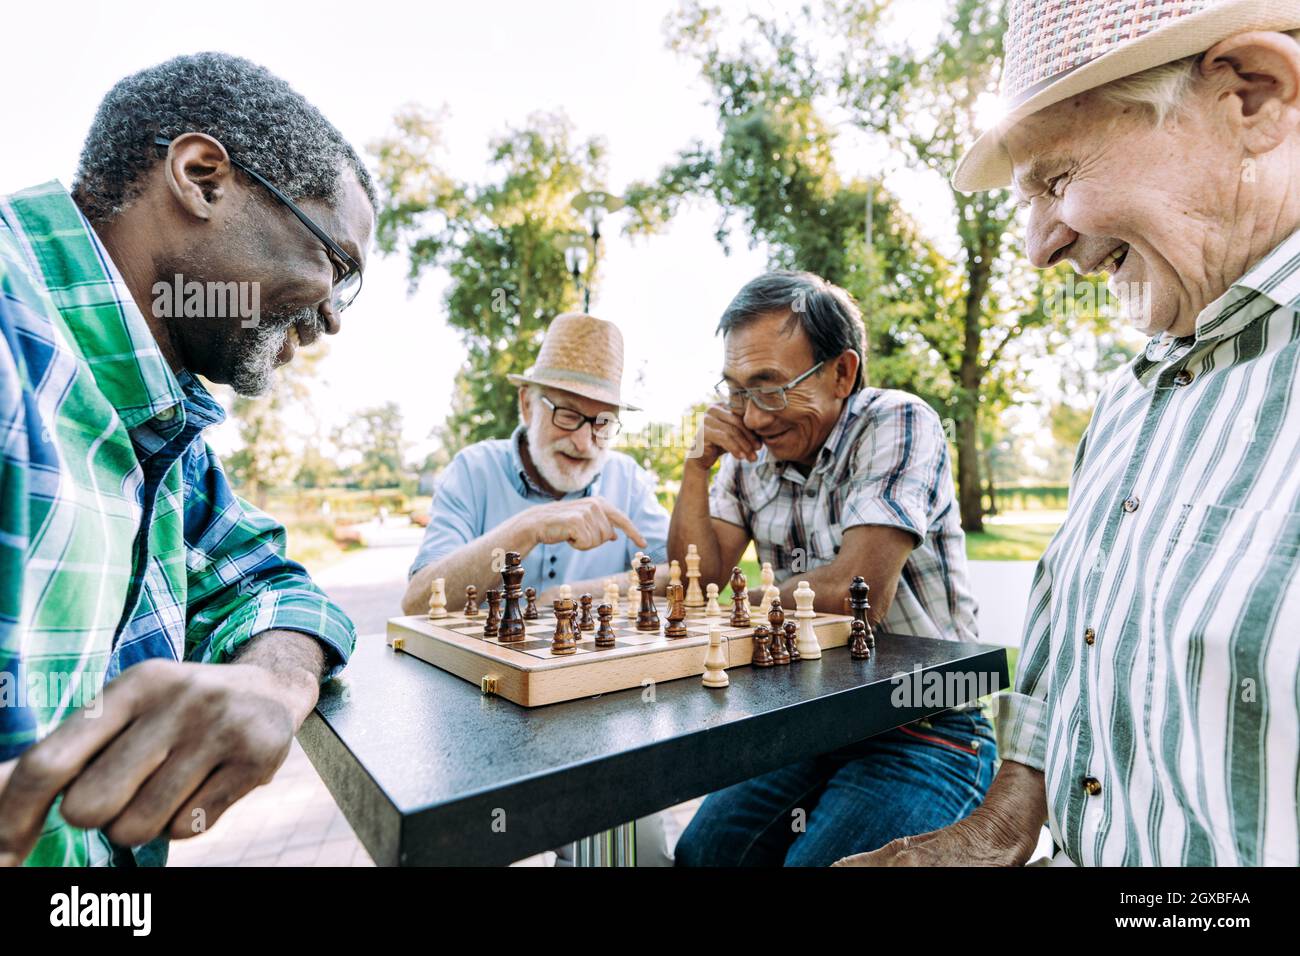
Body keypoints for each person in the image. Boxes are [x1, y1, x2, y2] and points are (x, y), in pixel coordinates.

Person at [839, 0, 1300, 867]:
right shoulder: (1134, 394)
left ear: (1253, 97)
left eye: (1056, 180)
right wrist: (998, 827)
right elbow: (1073, 647)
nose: (1038, 248)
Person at [0, 52, 374, 866]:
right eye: (337, 264)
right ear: (202, 177)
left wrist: (275, 681)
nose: (335, 319)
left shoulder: (165, 435)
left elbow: (269, 582)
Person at [669, 270, 991, 867]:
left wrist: (733, 610)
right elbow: (697, 585)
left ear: (842, 372)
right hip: (807, 724)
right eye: (736, 391)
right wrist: (695, 466)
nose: (755, 418)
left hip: (925, 725)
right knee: (700, 857)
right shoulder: (748, 457)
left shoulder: (896, 420)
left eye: (770, 387)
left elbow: (853, 590)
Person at [403, 312, 669, 615]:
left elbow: (681, 573)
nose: (584, 442)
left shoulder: (628, 479)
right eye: (568, 414)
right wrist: (528, 526)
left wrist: (569, 595)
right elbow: (418, 604)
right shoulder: (473, 470)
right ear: (527, 405)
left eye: (603, 422)